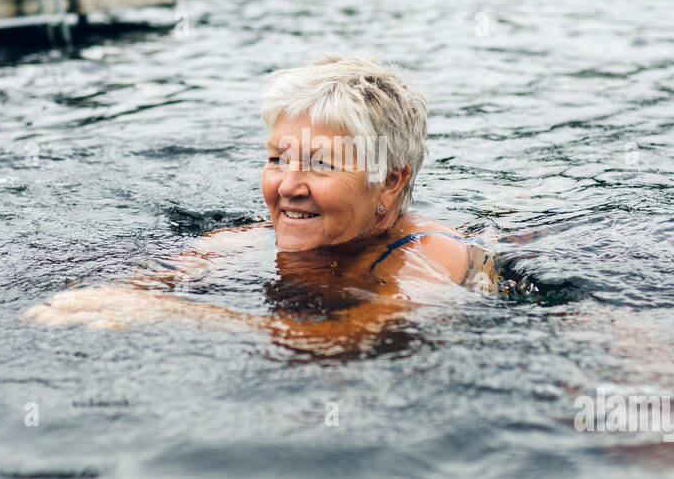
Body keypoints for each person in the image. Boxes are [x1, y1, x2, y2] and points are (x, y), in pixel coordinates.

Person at [24, 52, 498, 353]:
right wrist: (117, 294)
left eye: (320, 165)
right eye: (277, 159)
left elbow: (350, 338)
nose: (287, 185)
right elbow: (160, 274)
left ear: (391, 182)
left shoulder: (430, 254)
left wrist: (170, 312)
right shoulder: (254, 237)